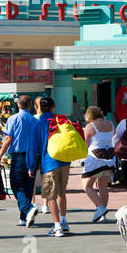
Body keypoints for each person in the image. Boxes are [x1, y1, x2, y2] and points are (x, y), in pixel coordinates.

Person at [0, 95, 40, 225]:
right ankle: (24, 216)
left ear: (18, 105)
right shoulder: (34, 121)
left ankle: (28, 208)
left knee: (16, 185)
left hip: (18, 155)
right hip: (32, 155)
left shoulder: (13, 119)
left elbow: (8, 139)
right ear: (30, 105)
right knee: (28, 185)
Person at [33, 96, 73, 237]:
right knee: (62, 193)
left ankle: (57, 227)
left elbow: (34, 147)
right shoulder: (61, 120)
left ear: (38, 108)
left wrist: (32, 166)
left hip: (49, 162)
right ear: (53, 107)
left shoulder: (38, 123)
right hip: (65, 161)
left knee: (50, 195)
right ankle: (63, 221)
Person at [80, 106, 114, 223]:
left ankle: (100, 207)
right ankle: (103, 214)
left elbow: (86, 143)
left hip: (95, 158)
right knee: (103, 186)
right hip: (109, 157)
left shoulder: (90, 126)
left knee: (87, 185)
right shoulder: (110, 124)